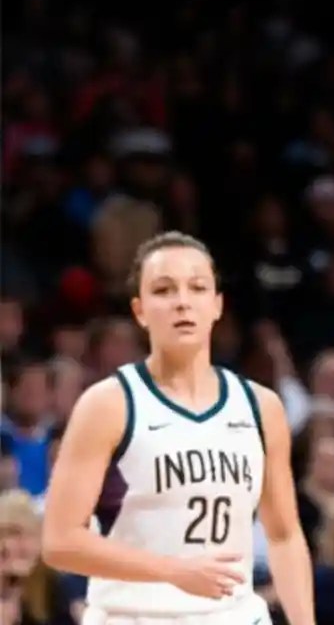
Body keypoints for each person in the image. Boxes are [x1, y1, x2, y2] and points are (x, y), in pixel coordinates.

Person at [41, 231, 316, 624]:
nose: (183, 301)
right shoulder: (109, 404)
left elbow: (284, 534)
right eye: (164, 290)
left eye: (198, 288)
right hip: (134, 615)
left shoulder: (261, 406)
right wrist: (173, 570)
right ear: (139, 310)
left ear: (217, 305)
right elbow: (59, 541)